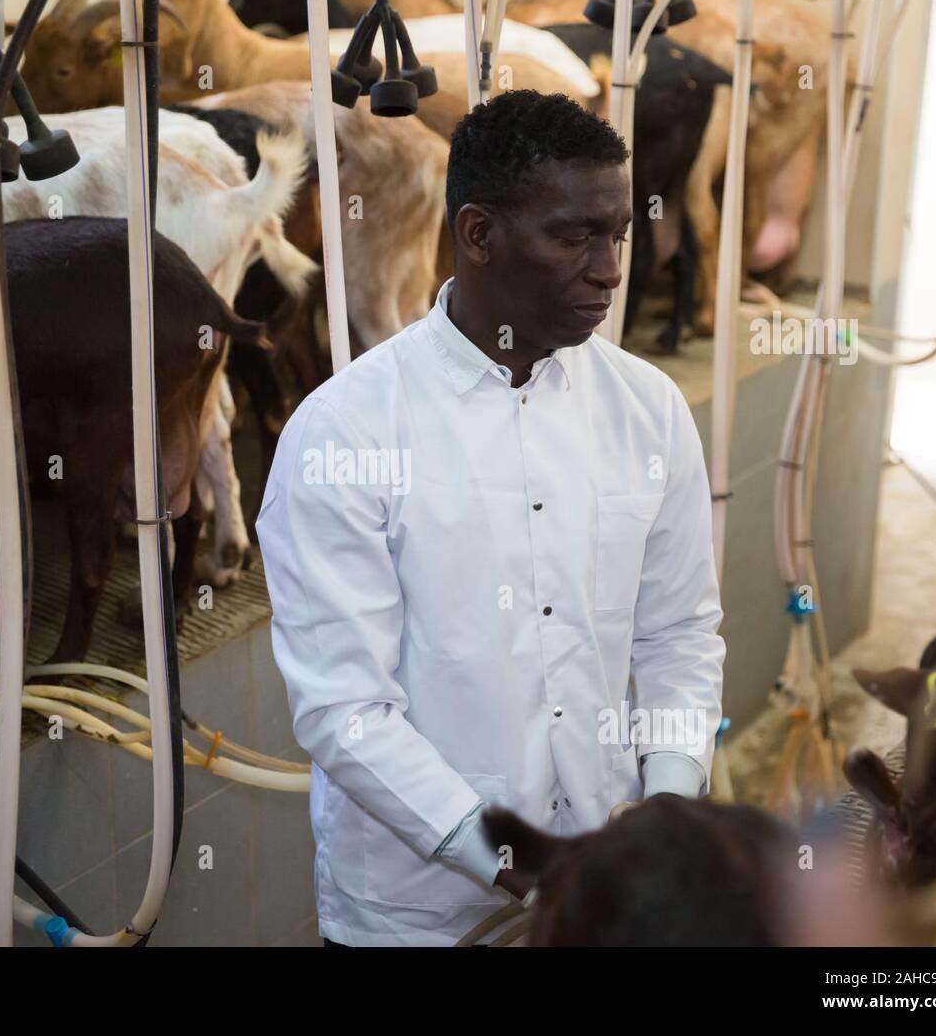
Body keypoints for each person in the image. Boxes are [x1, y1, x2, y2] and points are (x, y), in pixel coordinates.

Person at [256, 90, 725, 947]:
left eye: (615, 233)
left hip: (605, 895)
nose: (610, 268)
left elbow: (679, 636)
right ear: (476, 234)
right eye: (575, 235)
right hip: (415, 917)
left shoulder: (648, 411)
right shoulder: (348, 433)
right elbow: (345, 708)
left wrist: (662, 811)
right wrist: (529, 863)